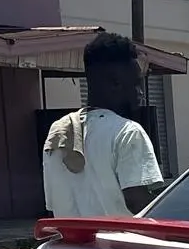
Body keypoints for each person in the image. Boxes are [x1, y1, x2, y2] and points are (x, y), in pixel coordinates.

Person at [42, 31, 165, 217]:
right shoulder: (128, 132)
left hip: (68, 237)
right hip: (119, 237)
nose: (141, 93)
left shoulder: (58, 131)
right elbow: (138, 203)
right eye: (136, 83)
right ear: (116, 83)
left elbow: (52, 203)